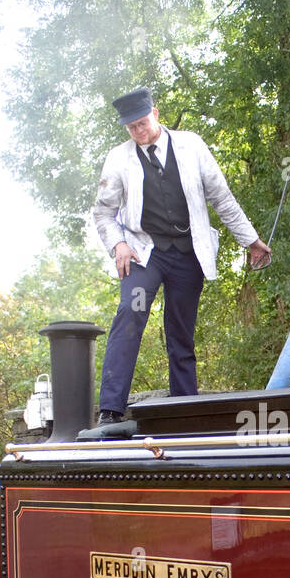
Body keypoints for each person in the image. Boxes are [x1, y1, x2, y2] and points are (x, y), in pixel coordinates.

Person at [93, 87, 270, 420]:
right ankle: (111, 409)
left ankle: (184, 410)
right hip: (145, 253)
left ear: (156, 115)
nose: (138, 131)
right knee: (131, 313)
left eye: (142, 123)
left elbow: (222, 198)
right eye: (131, 127)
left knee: (180, 331)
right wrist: (118, 244)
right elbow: (103, 212)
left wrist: (250, 241)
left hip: (188, 254)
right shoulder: (118, 159)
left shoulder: (192, 146)